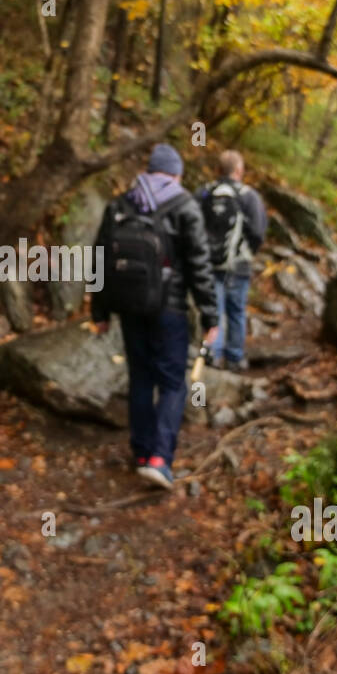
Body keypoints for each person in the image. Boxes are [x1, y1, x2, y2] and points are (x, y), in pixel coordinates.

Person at [91, 143, 219, 490]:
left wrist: (99, 311)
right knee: (173, 381)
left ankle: (142, 452)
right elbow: (199, 266)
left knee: (141, 378)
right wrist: (210, 315)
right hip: (170, 310)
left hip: (129, 307)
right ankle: (160, 459)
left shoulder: (120, 204)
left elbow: (99, 259)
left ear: (149, 170)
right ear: (176, 174)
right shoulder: (184, 205)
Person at [197, 149, 267, 372]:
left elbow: (191, 227)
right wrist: (247, 252)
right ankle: (235, 357)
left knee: (213, 307)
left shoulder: (204, 193)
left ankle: (213, 355)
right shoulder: (249, 196)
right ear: (239, 171)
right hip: (239, 264)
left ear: (218, 170)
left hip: (208, 263)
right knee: (236, 310)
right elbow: (258, 231)